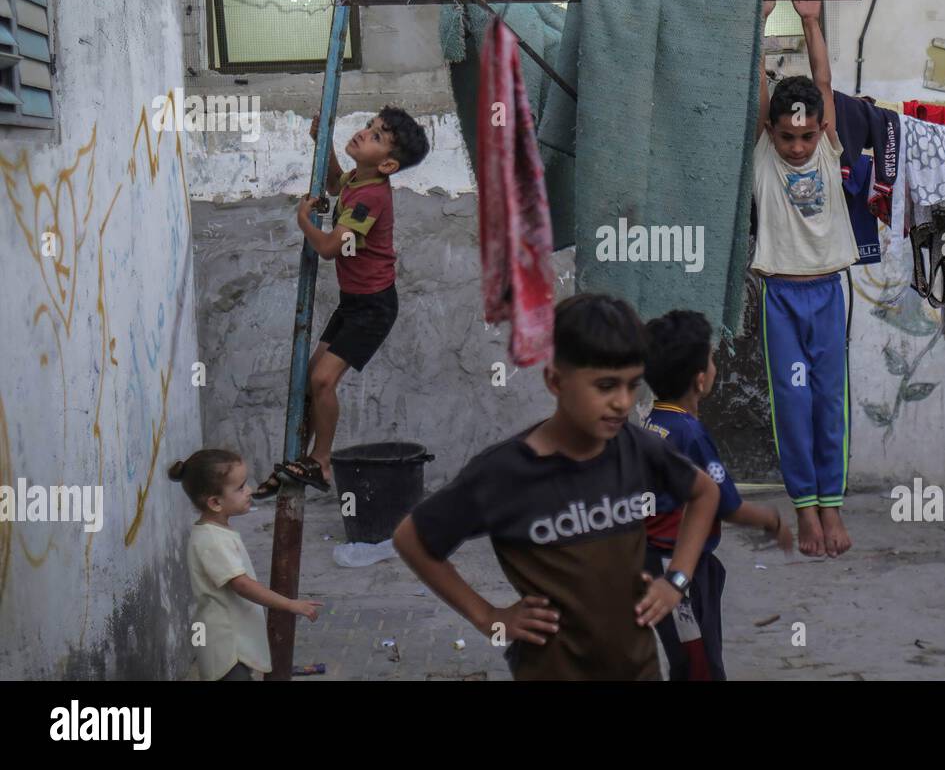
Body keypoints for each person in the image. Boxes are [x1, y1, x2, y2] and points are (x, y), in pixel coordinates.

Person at [392, 293, 721, 680]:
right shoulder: (506, 473)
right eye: (605, 386)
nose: (621, 402)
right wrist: (489, 617)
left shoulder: (634, 447)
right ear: (555, 380)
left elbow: (704, 492)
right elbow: (412, 539)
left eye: (632, 386)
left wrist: (677, 580)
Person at [255, 108, 429, 498]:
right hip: (354, 303)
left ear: (387, 163)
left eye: (377, 135)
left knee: (322, 380)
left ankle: (321, 461)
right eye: (370, 126)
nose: (364, 133)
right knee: (309, 379)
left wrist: (305, 222)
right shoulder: (358, 178)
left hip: (373, 309)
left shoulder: (371, 197)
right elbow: (335, 184)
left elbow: (333, 247)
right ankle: (298, 458)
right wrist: (324, 142)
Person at [752, 0, 857, 557]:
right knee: (792, 403)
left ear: (820, 131)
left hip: (827, 295)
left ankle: (834, 506)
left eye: (805, 135)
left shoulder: (827, 147)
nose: (797, 146)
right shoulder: (764, 150)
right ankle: (806, 511)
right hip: (781, 300)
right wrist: (759, 25)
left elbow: (821, 86)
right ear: (771, 132)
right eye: (787, 136)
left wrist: (812, 23)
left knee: (829, 401)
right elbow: (758, 87)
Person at [642, 309, 794, 679]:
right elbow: (728, 505)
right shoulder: (690, 435)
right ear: (699, 380)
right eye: (711, 359)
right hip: (679, 567)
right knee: (701, 664)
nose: (714, 365)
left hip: (654, 559)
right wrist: (772, 520)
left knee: (685, 657)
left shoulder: (653, 422)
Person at [169, 448, 321, 680]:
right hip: (226, 644)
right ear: (215, 502)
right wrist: (290, 605)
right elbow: (243, 585)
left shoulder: (217, 532)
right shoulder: (212, 540)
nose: (249, 491)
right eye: (240, 488)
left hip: (232, 639)